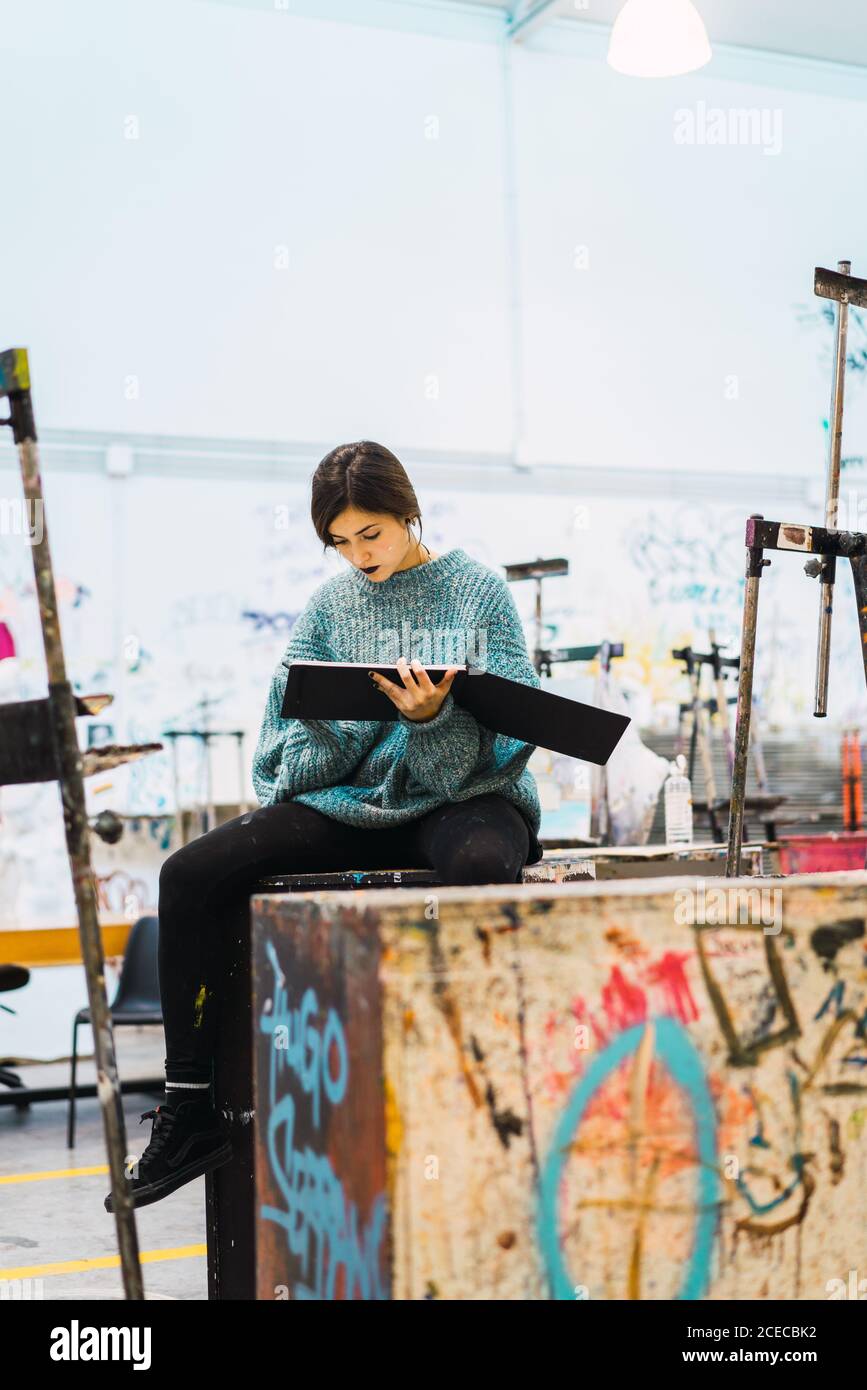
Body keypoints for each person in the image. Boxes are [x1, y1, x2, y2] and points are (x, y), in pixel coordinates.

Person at [105, 440, 543, 1212]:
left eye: (369, 534)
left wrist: (431, 722)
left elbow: (503, 745)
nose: (356, 555)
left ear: (408, 513)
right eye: (339, 542)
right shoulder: (330, 607)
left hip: (464, 796)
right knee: (189, 872)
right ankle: (190, 1107)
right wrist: (347, 724)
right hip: (357, 800)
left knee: (479, 862)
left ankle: (474, 1092)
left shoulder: (477, 592)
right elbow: (283, 763)